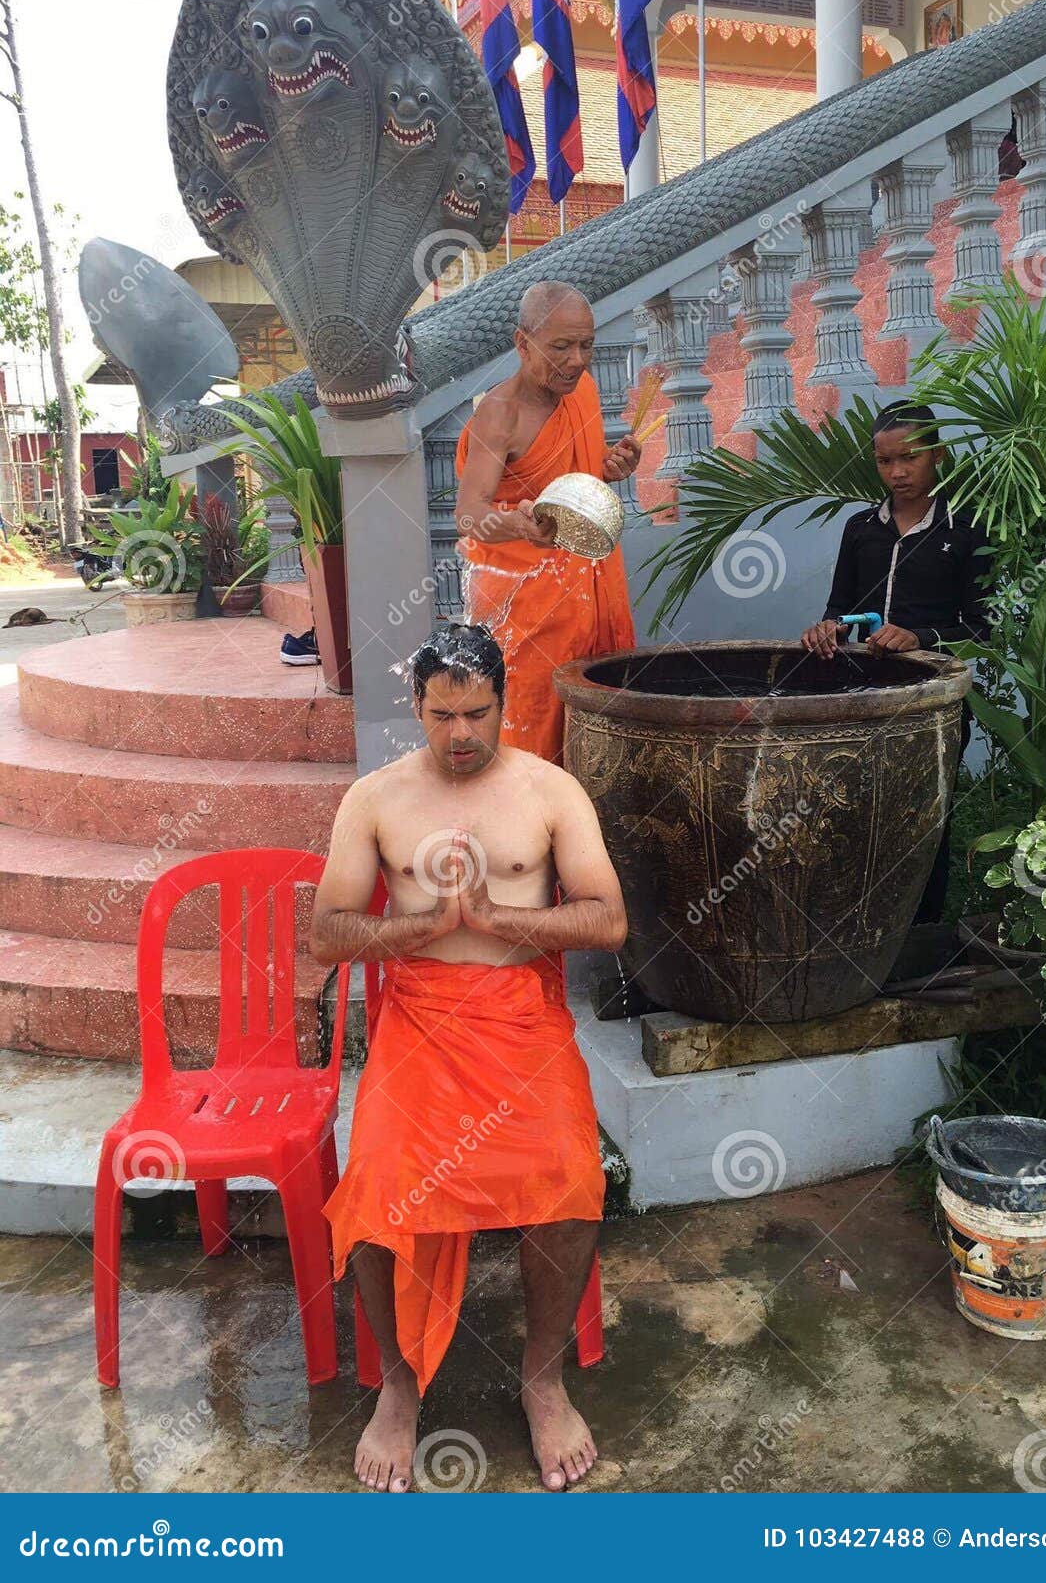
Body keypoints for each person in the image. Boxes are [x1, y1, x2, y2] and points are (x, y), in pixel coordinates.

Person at [311, 622, 626, 1493]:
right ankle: (398, 1387)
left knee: (569, 1173)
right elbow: (327, 933)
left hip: (522, 1017)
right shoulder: (375, 799)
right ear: (416, 706)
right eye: (443, 715)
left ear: (503, 703)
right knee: (377, 1182)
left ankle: (543, 1380)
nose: (461, 734)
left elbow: (608, 919)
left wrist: (494, 918)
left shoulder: (551, 791)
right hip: (418, 1020)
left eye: (478, 714)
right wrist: (423, 927)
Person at [800, 400, 991, 921]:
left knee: (926, 817)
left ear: (938, 455)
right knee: (857, 813)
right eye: (885, 461)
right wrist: (828, 629)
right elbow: (838, 609)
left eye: (910, 458)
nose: (898, 472)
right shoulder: (861, 527)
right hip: (862, 698)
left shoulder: (965, 528)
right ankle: (860, 924)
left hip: (933, 703)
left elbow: (981, 629)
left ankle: (922, 929)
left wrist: (920, 638)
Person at [453, 280, 640, 763]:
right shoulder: (500, 414)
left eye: (586, 345)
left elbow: (574, 475)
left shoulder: (582, 391)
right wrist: (519, 526)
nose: (577, 360)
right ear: (523, 343)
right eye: (561, 346)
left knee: (599, 725)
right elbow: (469, 513)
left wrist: (609, 465)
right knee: (533, 728)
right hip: (528, 604)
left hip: (593, 590)